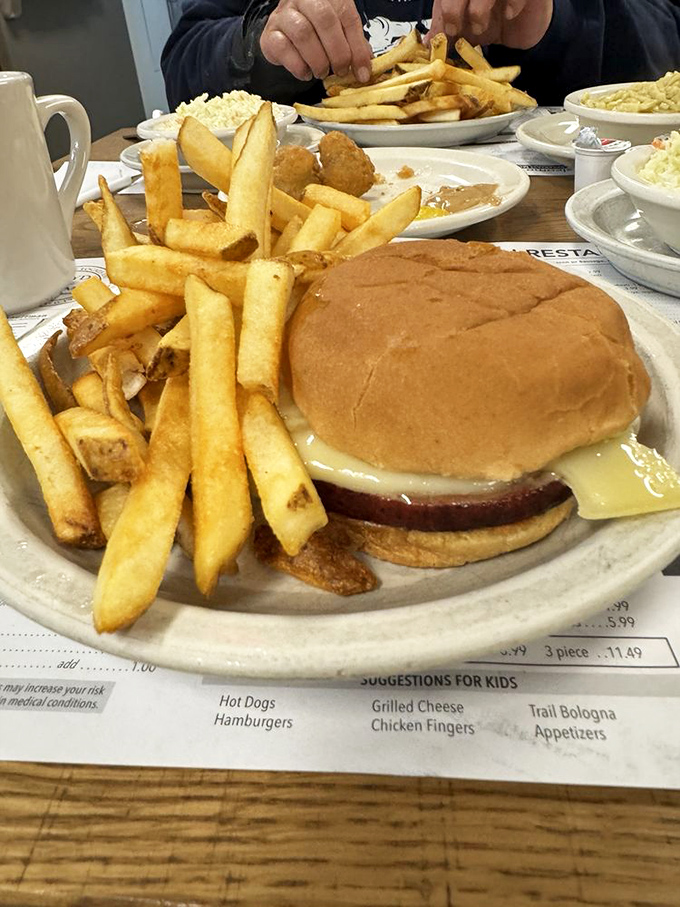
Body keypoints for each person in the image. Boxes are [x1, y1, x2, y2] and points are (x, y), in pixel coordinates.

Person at [162, 0, 680, 109]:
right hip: (321, 208)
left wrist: (561, 17)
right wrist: (269, 45)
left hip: (544, 209)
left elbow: (664, 40)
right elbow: (184, 63)